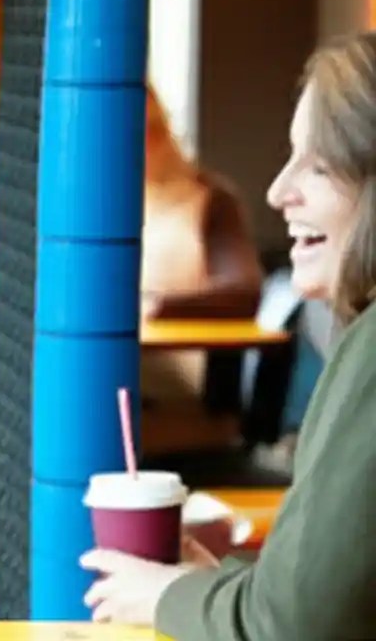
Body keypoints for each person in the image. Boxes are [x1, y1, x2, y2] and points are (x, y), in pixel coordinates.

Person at [82, 32, 376, 639]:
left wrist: (169, 594)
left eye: (318, 165)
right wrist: (210, 588)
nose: (277, 192)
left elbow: (297, 624)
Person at [138, 84, 264, 454]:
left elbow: (244, 292)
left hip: (181, 408)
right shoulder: (93, 208)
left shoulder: (210, 201)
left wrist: (157, 306)